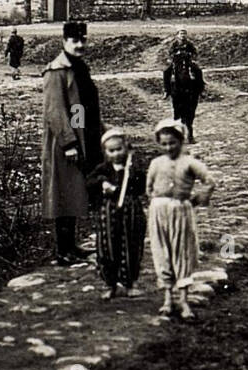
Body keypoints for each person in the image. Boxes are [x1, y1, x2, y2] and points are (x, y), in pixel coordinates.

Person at [42, 19, 103, 265]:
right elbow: (55, 110)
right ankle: (62, 249)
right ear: (64, 42)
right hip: (63, 143)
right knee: (64, 193)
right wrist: (69, 143)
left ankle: (72, 245)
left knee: (75, 191)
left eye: (83, 40)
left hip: (82, 136)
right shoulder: (56, 71)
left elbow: (82, 105)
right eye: (74, 40)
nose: (79, 45)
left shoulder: (79, 67)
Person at [146, 118, 214, 319]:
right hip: (159, 211)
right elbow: (149, 188)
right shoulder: (156, 163)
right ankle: (168, 297)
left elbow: (209, 181)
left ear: (181, 141)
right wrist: (159, 202)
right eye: (164, 143)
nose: (168, 147)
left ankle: (183, 300)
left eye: (173, 143)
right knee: (162, 252)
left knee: (182, 252)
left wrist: (200, 197)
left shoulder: (189, 163)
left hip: (181, 212)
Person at [85, 128, 148, 300]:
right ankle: (109, 283)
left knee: (131, 246)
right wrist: (102, 183)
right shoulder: (103, 169)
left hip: (131, 212)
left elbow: (143, 186)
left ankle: (129, 283)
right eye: (111, 151)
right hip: (108, 213)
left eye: (119, 149)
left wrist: (132, 174)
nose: (116, 154)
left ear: (126, 148)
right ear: (105, 152)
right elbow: (89, 183)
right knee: (107, 247)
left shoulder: (132, 168)